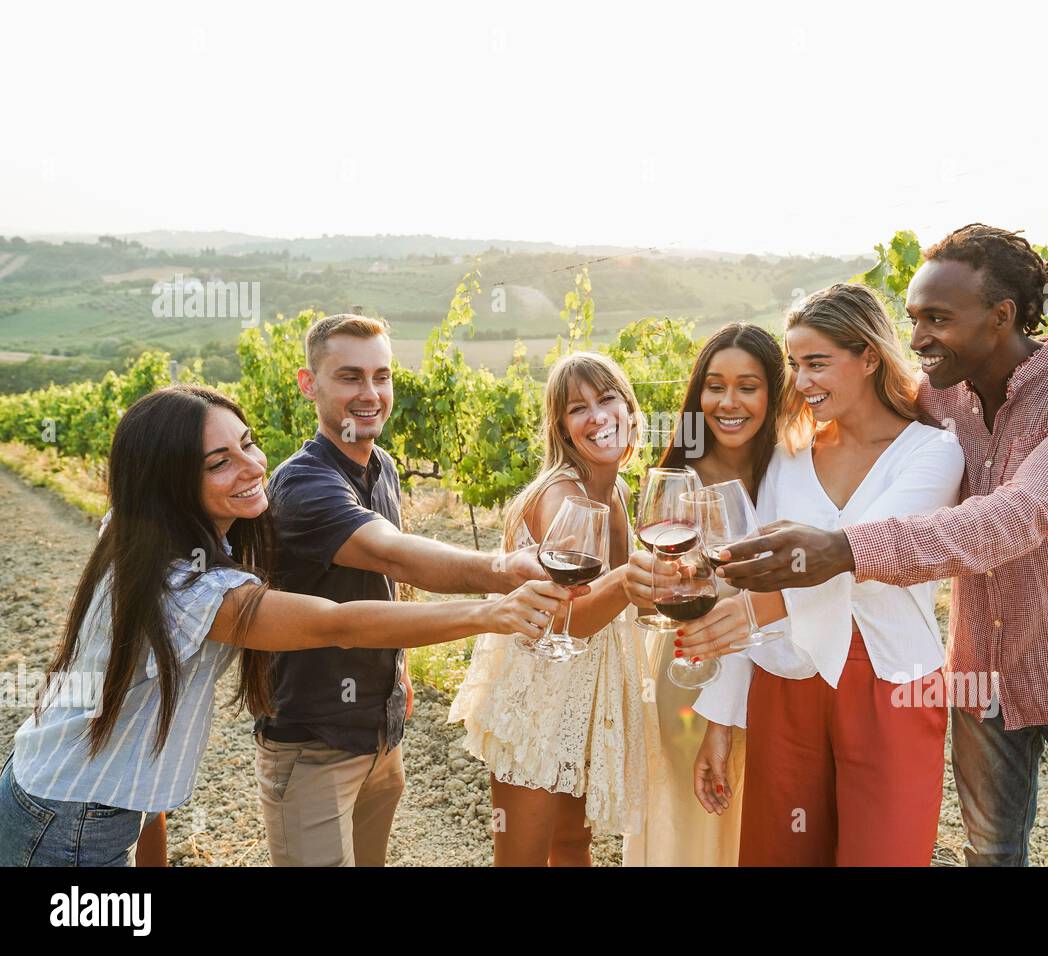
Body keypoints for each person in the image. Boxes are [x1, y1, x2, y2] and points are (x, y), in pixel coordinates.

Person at [707, 224, 1048, 867]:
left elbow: (1014, 517)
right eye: (913, 317)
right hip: (982, 672)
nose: (918, 337)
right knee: (990, 853)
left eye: (937, 319)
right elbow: (858, 422)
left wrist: (841, 549)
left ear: (1000, 316)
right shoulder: (939, 401)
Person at [0, 384, 573, 867]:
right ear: (168, 482)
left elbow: (144, 739)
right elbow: (336, 623)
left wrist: (496, 573)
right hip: (69, 818)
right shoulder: (188, 588)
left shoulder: (139, 532)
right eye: (218, 462)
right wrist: (490, 610)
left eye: (247, 444)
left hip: (64, 797)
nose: (252, 467)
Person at [253, 313, 547, 867]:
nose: (371, 394)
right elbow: (393, 554)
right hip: (313, 738)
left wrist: (400, 673)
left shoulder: (381, 465)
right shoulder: (303, 484)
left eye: (381, 376)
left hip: (378, 731)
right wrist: (504, 569)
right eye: (349, 377)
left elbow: (383, 581)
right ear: (307, 383)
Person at [682, 286, 963, 865]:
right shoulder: (786, 453)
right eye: (793, 364)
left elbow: (862, 557)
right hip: (787, 682)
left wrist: (759, 609)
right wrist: (718, 719)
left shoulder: (933, 454)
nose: (802, 381)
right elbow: (748, 576)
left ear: (867, 356)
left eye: (817, 363)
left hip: (893, 685)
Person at [449, 351, 659, 866]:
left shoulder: (620, 491)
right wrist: (636, 581)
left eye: (607, 399)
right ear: (563, 431)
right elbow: (570, 619)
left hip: (586, 696)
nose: (597, 416)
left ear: (630, 410)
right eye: (577, 408)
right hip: (537, 698)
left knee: (572, 846)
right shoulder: (561, 496)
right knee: (522, 857)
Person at [621, 323, 785, 867]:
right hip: (690, 668)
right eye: (715, 385)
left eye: (748, 386)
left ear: (774, 392)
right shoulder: (678, 479)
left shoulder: (793, 472)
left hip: (777, 673)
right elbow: (648, 599)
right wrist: (651, 586)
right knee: (692, 815)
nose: (728, 401)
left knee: (758, 819)